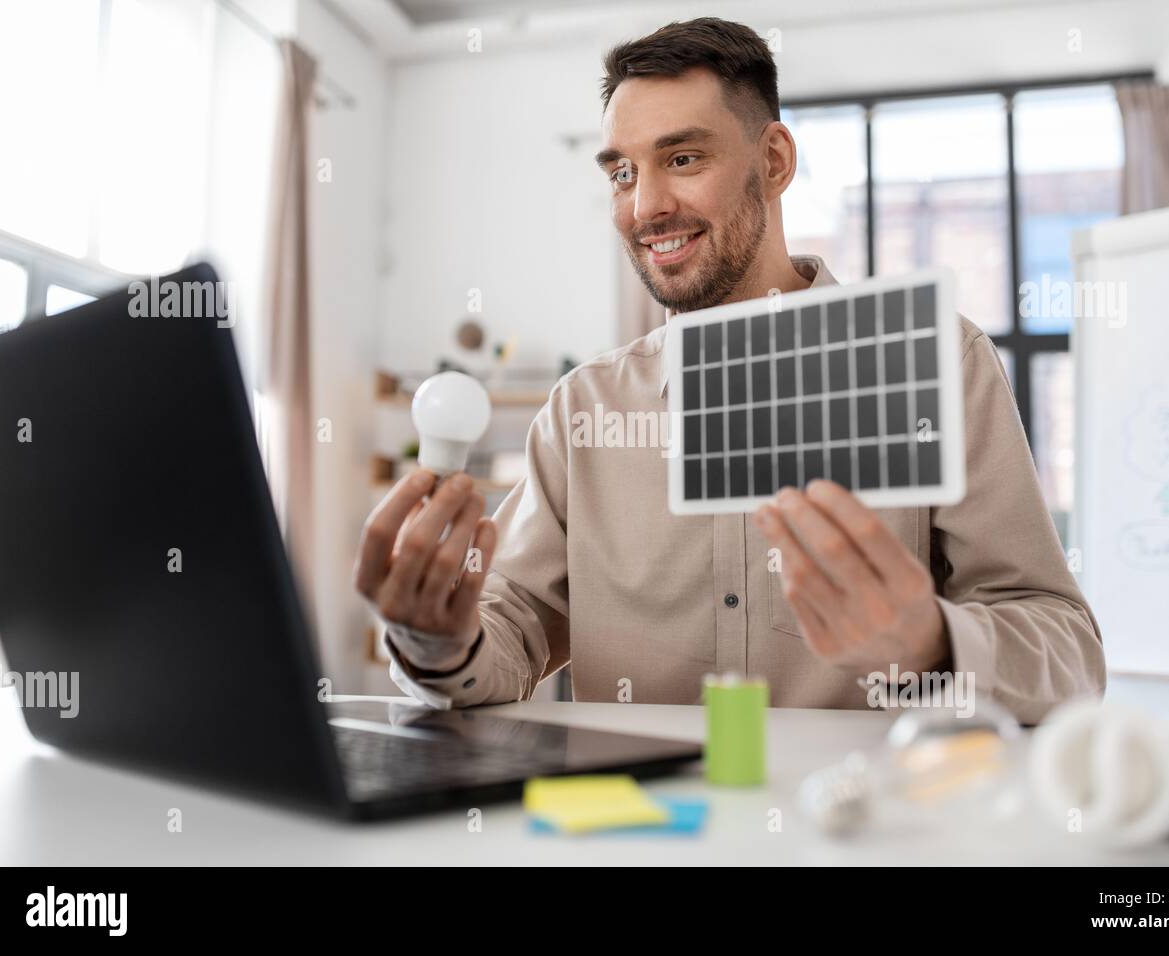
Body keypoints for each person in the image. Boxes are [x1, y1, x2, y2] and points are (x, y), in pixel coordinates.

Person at [353, 17, 1104, 723]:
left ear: (772, 162)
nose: (645, 207)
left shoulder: (941, 364)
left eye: (682, 159)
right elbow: (511, 632)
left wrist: (932, 642)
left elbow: (1068, 652)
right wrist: (436, 641)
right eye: (622, 172)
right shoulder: (583, 409)